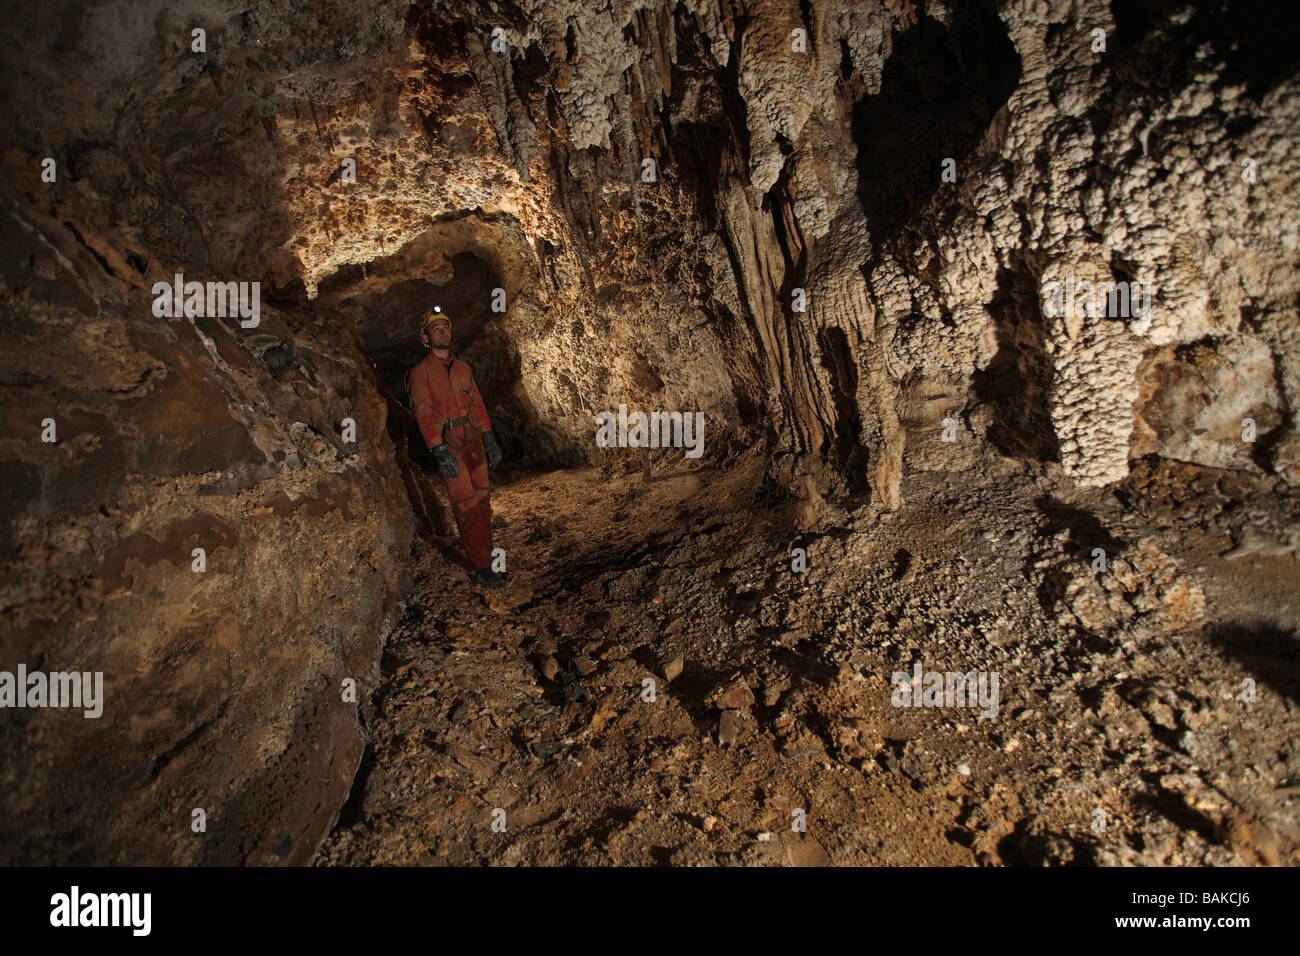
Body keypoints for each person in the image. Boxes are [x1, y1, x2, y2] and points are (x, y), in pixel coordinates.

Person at [405, 307, 505, 588]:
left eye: (445, 327)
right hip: (450, 442)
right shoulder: (419, 373)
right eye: (436, 329)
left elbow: (479, 406)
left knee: (483, 502)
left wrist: (489, 438)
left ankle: (489, 559)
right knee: (466, 505)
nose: (442, 331)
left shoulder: (463, 369)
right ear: (425, 339)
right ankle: (482, 567)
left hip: (473, 438)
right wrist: (437, 450)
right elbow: (423, 414)